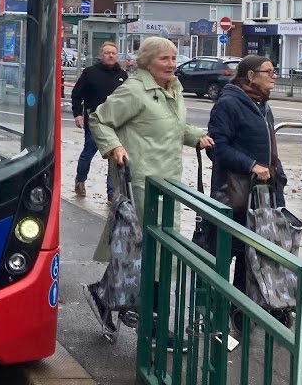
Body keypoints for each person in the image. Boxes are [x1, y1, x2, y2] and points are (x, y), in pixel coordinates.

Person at [83, 36, 214, 335]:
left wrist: (196, 136)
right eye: (164, 59)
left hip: (168, 181)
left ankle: (106, 296)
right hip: (142, 181)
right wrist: (114, 147)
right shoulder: (135, 90)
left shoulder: (174, 88)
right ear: (147, 62)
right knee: (152, 250)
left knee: (147, 249)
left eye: (173, 58)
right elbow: (99, 120)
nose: (171, 64)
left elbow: (172, 127)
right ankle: (152, 322)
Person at [205, 55, 286, 328]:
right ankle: (210, 310)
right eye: (268, 71)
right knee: (225, 251)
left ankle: (242, 309)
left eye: (274, 71)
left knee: (252, 252)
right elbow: (218, 148)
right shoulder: (229, 104)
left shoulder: (262, 105)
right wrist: (251, 165)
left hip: (261, 193)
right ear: (250, 76)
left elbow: (268, 146)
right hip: (233, 193)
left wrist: (278, 176)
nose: (273, 76)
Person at [70, 41, 129, 199]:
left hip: (116, 124)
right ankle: (80, 180)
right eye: (107, 53)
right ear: (100, 55)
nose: (110, 55)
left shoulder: (122, 76)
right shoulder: (90, 73)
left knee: (114, 158)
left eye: (113, 53)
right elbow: (77, 94)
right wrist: (78, 114)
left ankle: (111, 193)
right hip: (95, 123)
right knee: (88, 153)